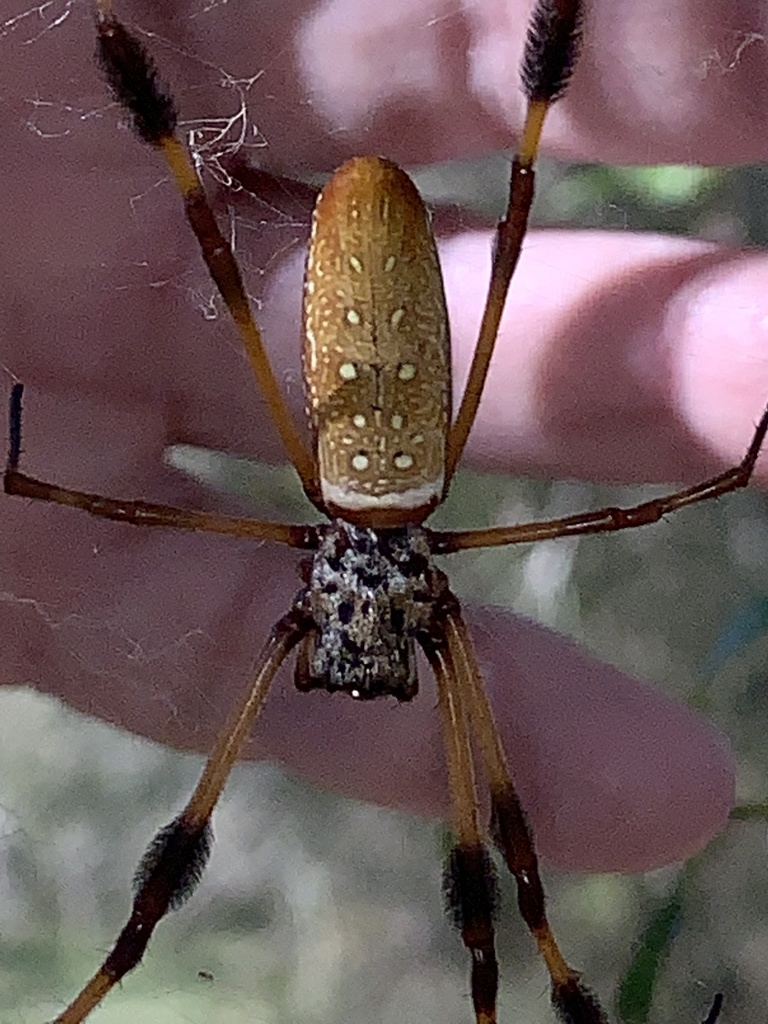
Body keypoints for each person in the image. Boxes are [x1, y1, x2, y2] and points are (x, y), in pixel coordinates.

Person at [1, 0, 766, 873]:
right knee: (468, 228)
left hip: (361, 384)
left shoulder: (350, 593)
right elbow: (632, 513)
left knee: (229, 252)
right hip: (386, 387)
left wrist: (39, 486)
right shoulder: (424, 614)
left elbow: (80, 499)